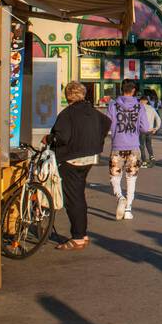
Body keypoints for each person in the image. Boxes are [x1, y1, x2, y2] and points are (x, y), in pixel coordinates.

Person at [49, 80, 111, 251]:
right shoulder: (92, 111)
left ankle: (77, 237)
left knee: (73, 198)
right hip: (90, 157)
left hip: (71, 158)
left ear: (68, 95)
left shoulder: (67, 114)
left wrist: (48, 139)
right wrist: (97, 140)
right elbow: (107, 122)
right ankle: (82, 234)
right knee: (79, 194)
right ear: (83, 94)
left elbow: (61, 137)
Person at [106, 80, 150, 220]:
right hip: (134, 146)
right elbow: (144, 127)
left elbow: (108, 124)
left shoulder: (113, 105)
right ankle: (128, 209)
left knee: (115, 177)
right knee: (131, 179)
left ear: (121, 89)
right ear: (133, 91)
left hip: (117, 146)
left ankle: (120, 197)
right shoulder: (140, 107)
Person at [139, 88, 161, 167]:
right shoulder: (152, 108)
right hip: (150, 130)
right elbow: (158, 118)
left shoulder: (139, 108)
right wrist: (156, 128)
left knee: (141, 145)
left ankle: (144, 161)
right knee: (149, 144)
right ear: (147, 101)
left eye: (140, 101)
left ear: (142, 101)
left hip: (142, 130)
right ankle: (151, 157)